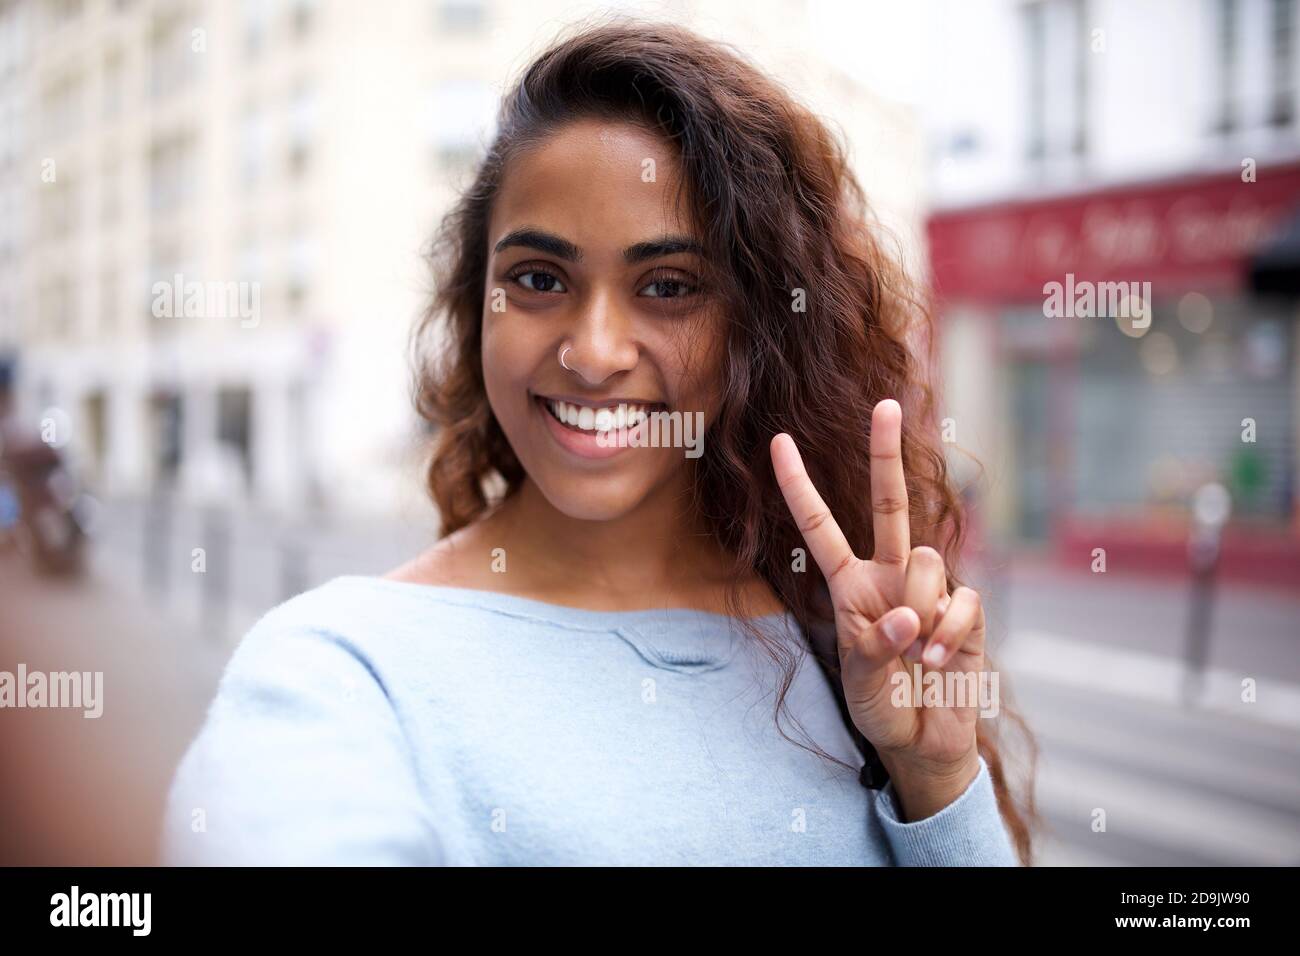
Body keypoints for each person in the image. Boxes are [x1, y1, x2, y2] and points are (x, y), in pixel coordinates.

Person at [163, 19, 1037, 866]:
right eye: (539, 280)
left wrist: (936, 777)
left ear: (758, 330)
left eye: (667, 286)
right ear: (477, 308)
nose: (593, 353)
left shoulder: (838, 642)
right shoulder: (342, 669)